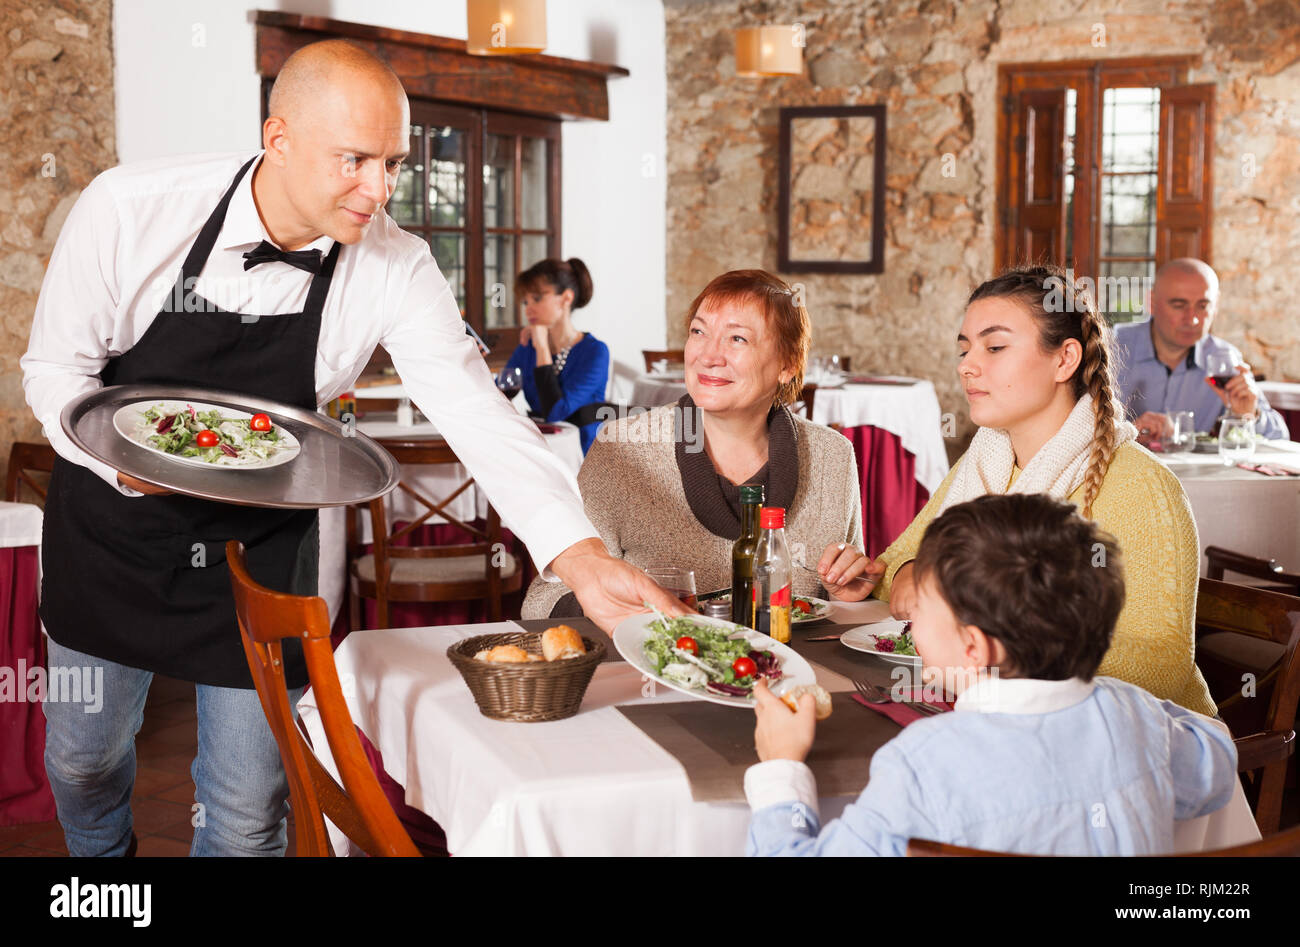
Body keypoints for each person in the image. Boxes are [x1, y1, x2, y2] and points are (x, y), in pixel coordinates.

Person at [21, 40, 683, 858]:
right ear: (279, 137)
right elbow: (54, 371)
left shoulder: (396, 266)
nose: (380, 190)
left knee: (248, 809)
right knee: (82, 764)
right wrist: (115, 462)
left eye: (395, 162)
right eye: (354, 160)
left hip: (257, 550)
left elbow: (479, 415)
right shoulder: (129, 208)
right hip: (110, 533)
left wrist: (579, 556)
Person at [746, 494, 1239, 856]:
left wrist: (781, 767)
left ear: (973, 646)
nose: (910, 621)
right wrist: (1132, 702)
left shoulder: (922, 764)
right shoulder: (1139, 718)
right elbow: (1216, 768)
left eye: (920, 611)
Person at [846, 265, 1217, 716]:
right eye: (964, 350)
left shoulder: (1144, 488)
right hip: (999, 714)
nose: (967, 365)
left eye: (995, 346)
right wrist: (900, 572)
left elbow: (1162, 664)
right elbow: (892, 571)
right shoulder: (985, 460)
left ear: (1065, 359)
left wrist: (1004, 657)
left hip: (1135, 742)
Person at [522, 269, 872, 619]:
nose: (708, 356)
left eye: (737, 339)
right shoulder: (622, 450)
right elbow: (542, 603)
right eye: (698, 332)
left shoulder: (832, 456)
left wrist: (848, 595)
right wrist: (610, 607)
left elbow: (844, 604)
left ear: (788, 364)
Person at [1114, 258, 1288, 444]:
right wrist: (1124, 434)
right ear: (1152, 302)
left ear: (1216, 305)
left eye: (1203, 306)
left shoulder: (1224, 358)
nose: (1193, 319)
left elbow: (1278, 437)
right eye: (1179, 305)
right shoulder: (1107, 348)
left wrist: (1249, 413)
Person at [504, 257, 610, 453]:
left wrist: (542, 348)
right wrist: (475, 361)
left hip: (582, 461)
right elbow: (500, 394)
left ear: (566, 298)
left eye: (537, 298)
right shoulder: (527, 348)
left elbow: (555, 412)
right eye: (525, 301)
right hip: (538, 450)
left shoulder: (595, 352)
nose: (528, 308)